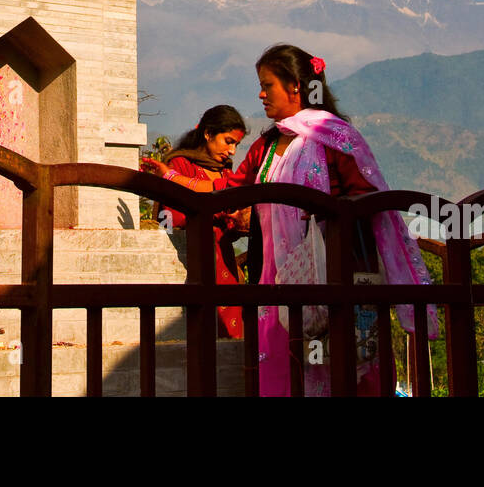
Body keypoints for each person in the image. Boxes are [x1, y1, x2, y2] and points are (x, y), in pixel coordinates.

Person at [225, 44, 438, 397]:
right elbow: (231, 189)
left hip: (337, 281)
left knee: (343, 373)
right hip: (277, 285)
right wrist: (175, 181)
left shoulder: (335, 138)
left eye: (268, 85)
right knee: (284, 374)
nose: (260, 94)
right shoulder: (266, 144)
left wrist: (324, 217)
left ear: (296, 86)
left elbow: (367, 197)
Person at [149, 105, 248, 338]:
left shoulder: (224, 171)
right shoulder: (179, 165)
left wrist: (238, 221)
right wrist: (221, 214)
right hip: (193, 262)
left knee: (230, 335)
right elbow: (172, 217)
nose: (232, 151)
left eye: (236, 145)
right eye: (228, 141)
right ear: (208, 133)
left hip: (224, 263)